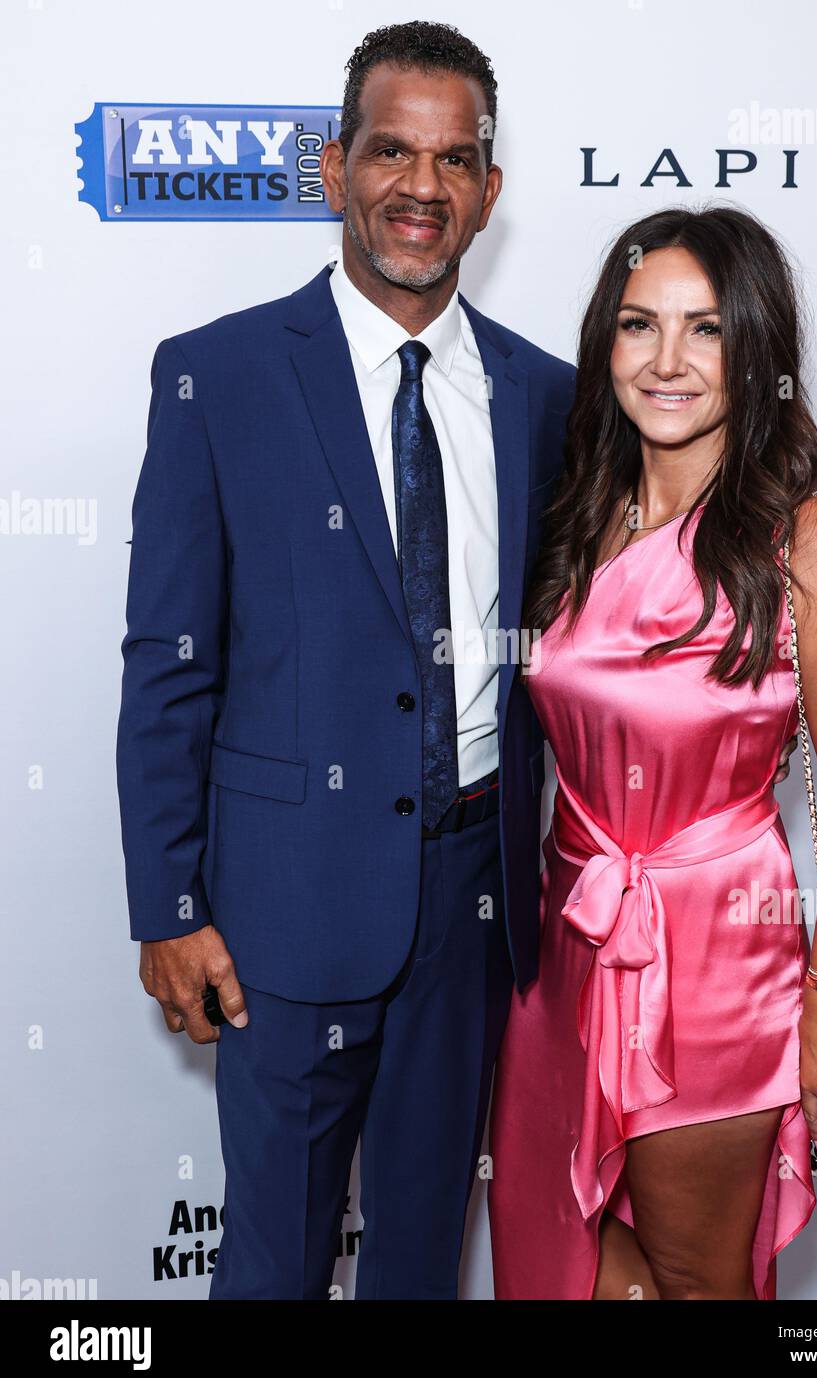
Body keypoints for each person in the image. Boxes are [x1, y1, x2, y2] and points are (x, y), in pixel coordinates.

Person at [115, 20, 576, 1300]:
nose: (420, 187)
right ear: (334, 168)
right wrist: (169, 906)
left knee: (422, 1262)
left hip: (472, 912)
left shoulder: (550, 397)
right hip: (281, 909)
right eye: (390, 150)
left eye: (454, 159)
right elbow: (167, 666)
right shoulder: (221, 376)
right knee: (272, 1265)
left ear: (489, 188)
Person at [487, 206, 817, 1300]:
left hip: (718, 970)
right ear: (604, 344)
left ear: (756, 350)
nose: (667, 360)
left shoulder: (812, 541)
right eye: (638, 325)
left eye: (706, 330)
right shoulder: (575, 518)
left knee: (696, 1280)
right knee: (568, 1268)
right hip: (565, 946)